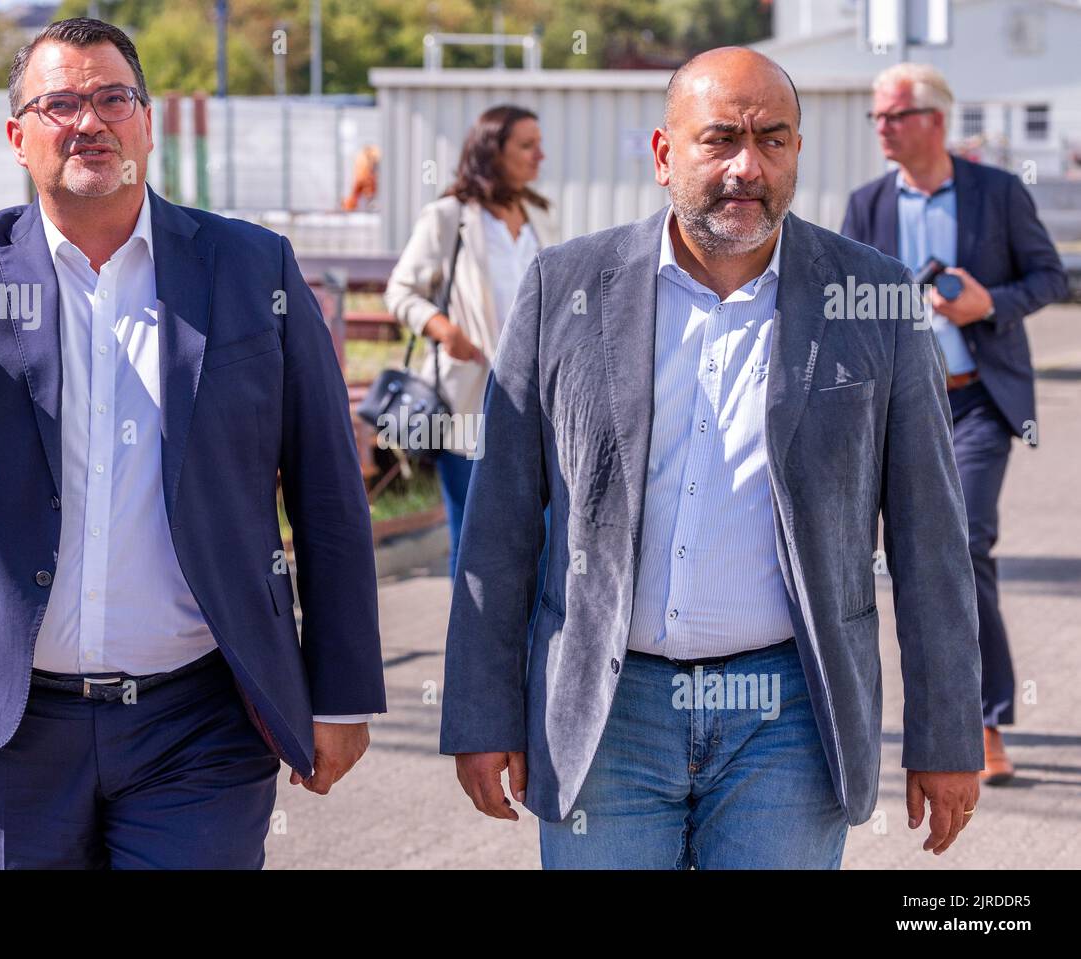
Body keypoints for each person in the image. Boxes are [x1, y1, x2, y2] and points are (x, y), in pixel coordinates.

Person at [0, 17, 385, 868]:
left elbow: (327, 490)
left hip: (199, 719)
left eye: (111, 97)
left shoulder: (251, 269)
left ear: (148, 124)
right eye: (58, 103)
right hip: (9, 719)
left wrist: (343, 693)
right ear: (17, 139)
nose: (88, 120)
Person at [440, 47, 984, 868]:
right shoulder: (564, 287)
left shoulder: (873, 299)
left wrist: (948, 734)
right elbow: (501, 524)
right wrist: (481, 714)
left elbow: (932, 539)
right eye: (720, 138)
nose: (747, 166)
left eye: (773, 140)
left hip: (789, 720)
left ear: (797, 151)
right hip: (608, 718)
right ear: (665, 155)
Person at [842, 63, 1068, 786]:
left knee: (964, 546)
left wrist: (985, 304)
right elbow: (841, 299)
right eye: (876, 116)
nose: (881, 126)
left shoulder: (997, 193)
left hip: (973, 403)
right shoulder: (867, 203)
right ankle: (870, 715)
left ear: (935, 121)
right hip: (890, 408)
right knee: (867, 560)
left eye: (894, 115)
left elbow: (1051, 278)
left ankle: (985, 717)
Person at [384, 105, 559, 579]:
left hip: (535, 405)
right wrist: (446, 331)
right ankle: (470, 651)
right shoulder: (450, 217)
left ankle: (532, 651)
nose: (539, 155)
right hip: (465, 401)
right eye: (526, 145)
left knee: (543, 534)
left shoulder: (541, 220)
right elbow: (400, 292)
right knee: (473, 539)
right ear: (492, 151)